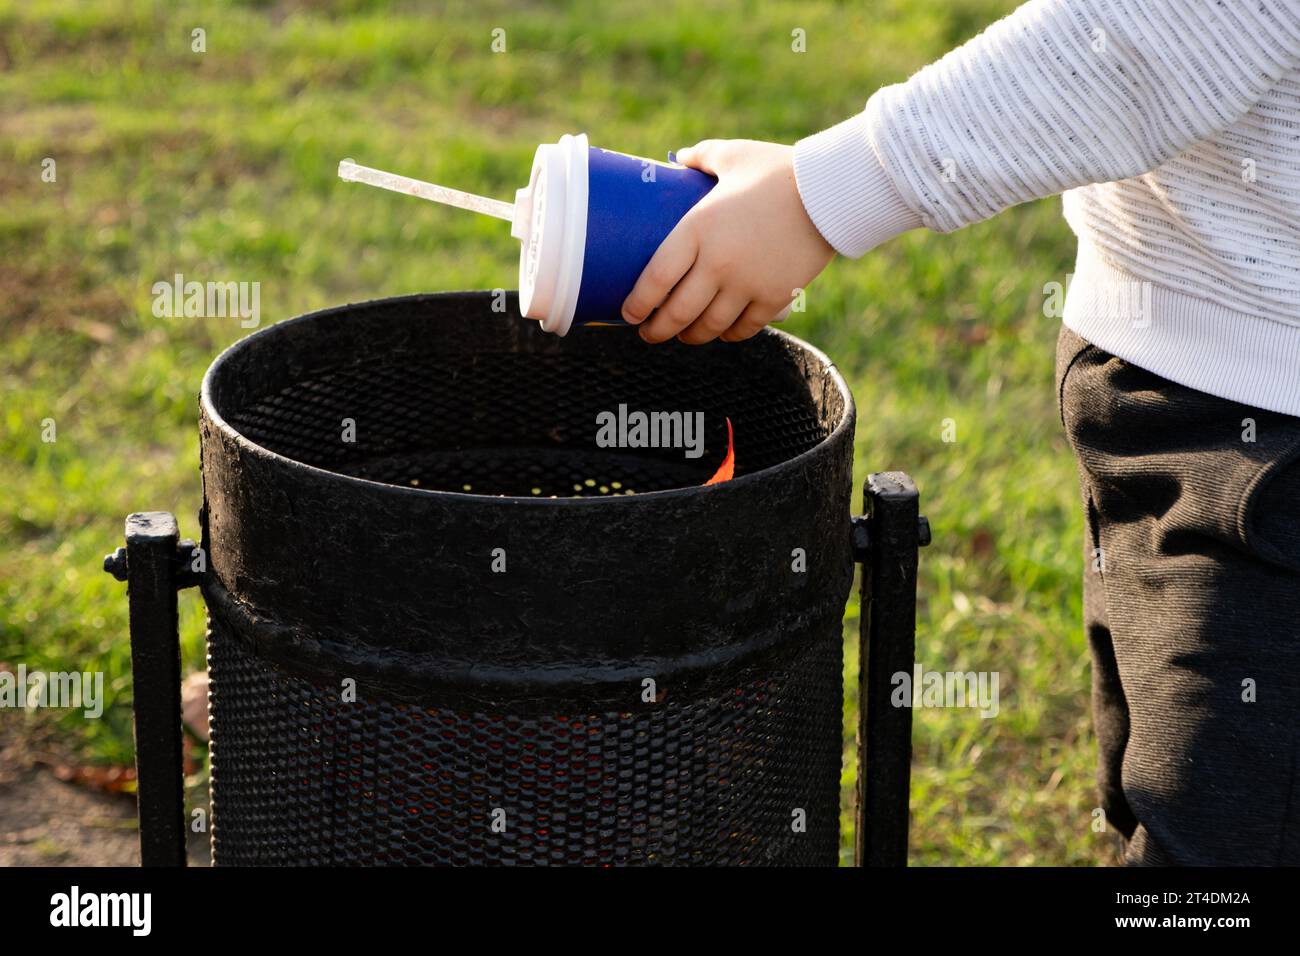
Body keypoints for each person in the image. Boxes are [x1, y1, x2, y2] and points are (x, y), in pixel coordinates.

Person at [622, 0, 1300, 865]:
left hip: (1271, 440)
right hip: (1154, 375)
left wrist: (824, 194)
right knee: (1156, 788)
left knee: (1227, 839)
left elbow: (1150, 31)